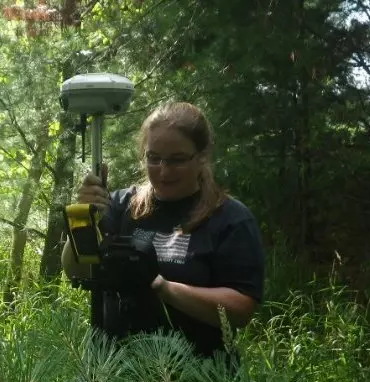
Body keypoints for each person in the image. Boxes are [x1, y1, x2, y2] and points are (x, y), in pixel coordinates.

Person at [62, 102, 264, 364]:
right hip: (113, 378)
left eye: (177, 160)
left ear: (202, 155)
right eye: (153, 158)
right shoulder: (120, 205)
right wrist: (85, 217)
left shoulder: (230, 219)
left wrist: (163, 287)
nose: (164, 171)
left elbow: (241, 310)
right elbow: (76, 271)